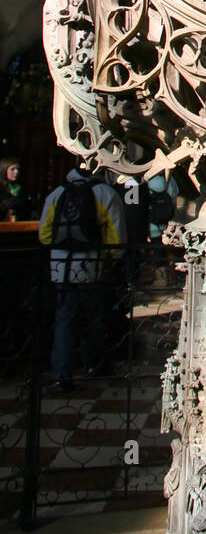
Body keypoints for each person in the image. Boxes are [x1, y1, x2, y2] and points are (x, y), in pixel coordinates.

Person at [38, 166, 127, 389]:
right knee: (93, 319)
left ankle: (61, 374)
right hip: (91, 267)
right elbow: (116, 236)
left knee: (64, 321)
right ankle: (94, 367)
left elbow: (44, 234)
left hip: (61, 269)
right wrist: (110, 259)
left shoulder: (56, 193)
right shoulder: (105, 193)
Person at [0, 156, 30, 222]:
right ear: (4, 170)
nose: (16, 172)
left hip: (18, 226)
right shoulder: (1, 188)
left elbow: (27, 211)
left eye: (18, 169)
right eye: (12, 169)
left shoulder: (21, 189)